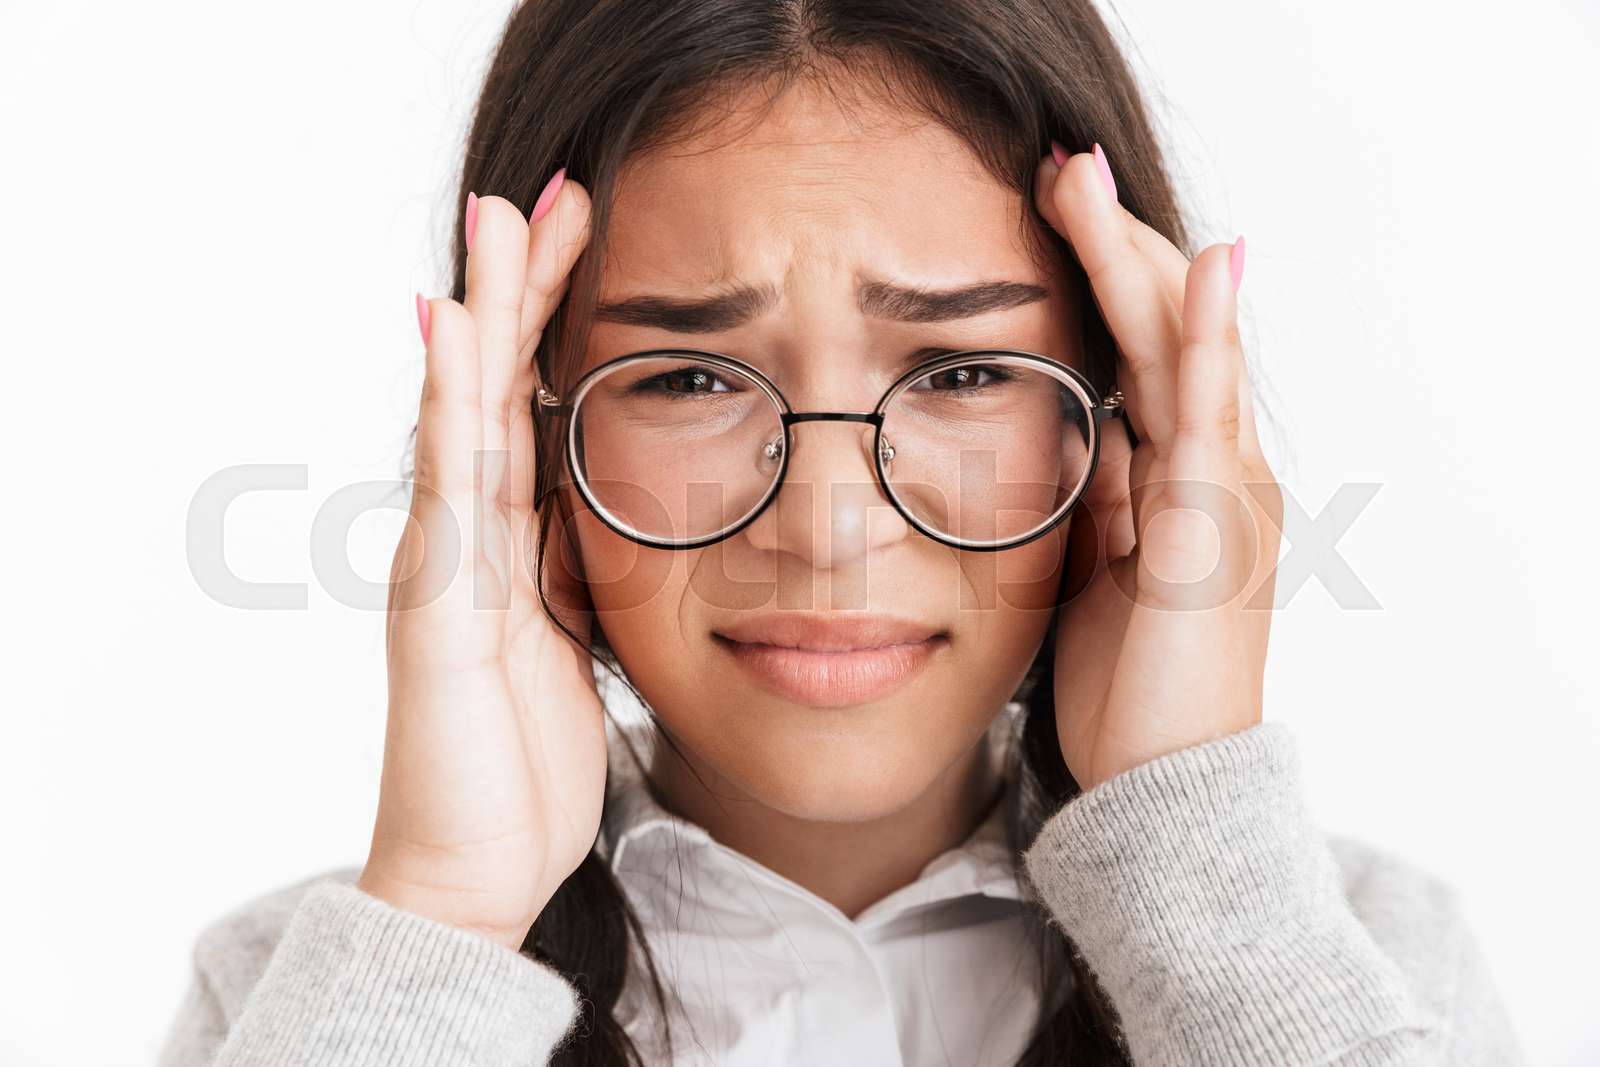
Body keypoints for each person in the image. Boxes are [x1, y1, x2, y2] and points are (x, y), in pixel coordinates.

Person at [155, 1, 1524, 1064]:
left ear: (1126, 430)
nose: (824, 529)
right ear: (524, 442)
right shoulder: (327, 992)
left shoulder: (1352, 964)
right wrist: (448, 909)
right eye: (689, 378)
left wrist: (1211, 893)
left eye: (960, 372)